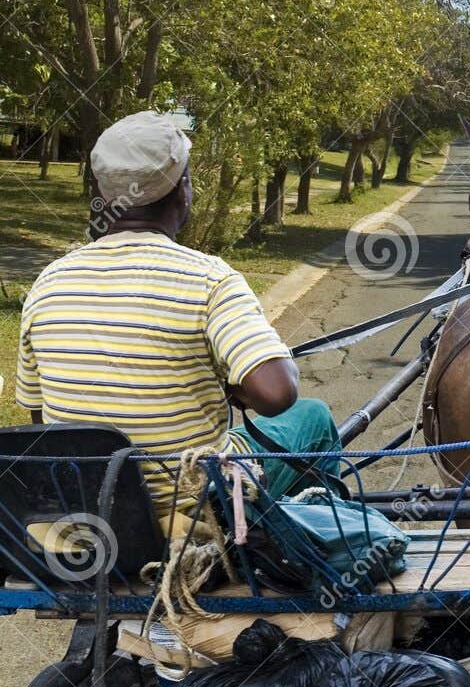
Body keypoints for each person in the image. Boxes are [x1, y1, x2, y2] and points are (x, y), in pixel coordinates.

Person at [16, 110, 340, 527]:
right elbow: (277, 394)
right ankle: (305, 543)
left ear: (103, 191)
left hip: (92, 509)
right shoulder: (210, 280)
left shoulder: (48, 282)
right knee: (311, 416)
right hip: (196, 504)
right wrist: (236, 384)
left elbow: (43, 423)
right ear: (183, 190)